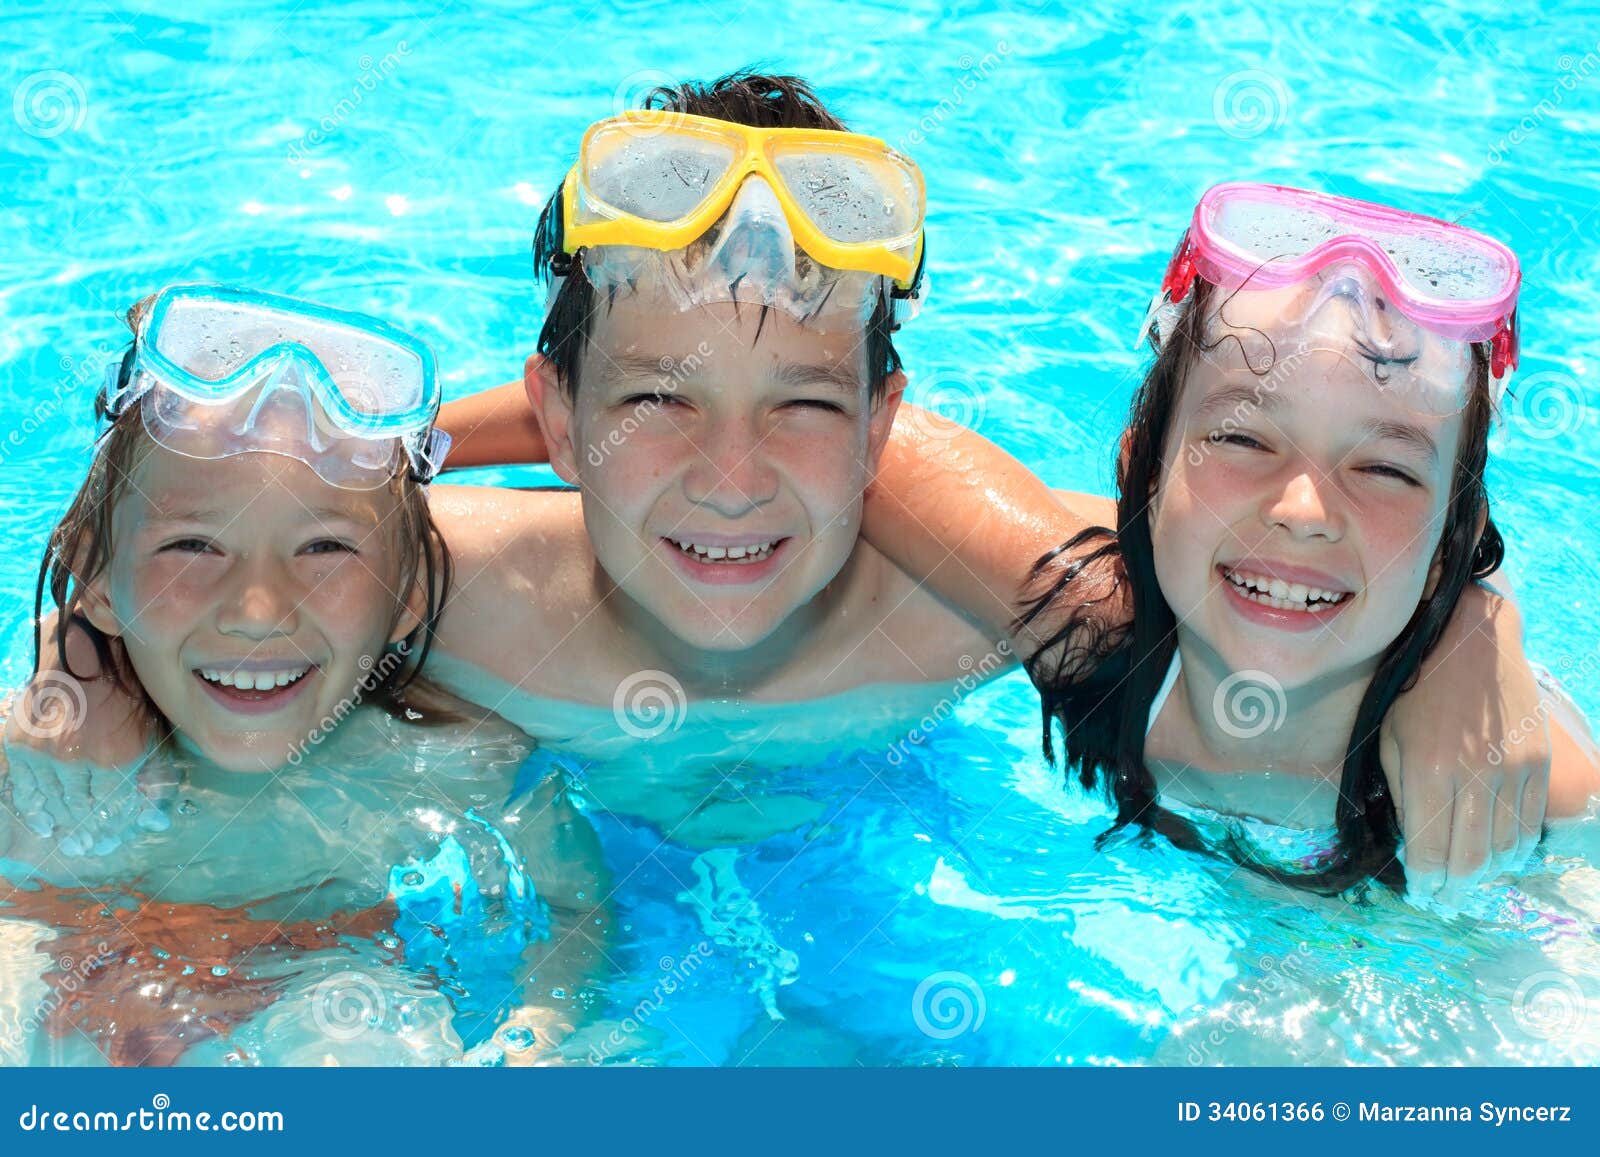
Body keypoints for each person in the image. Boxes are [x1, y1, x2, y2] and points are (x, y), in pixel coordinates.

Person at [0, 286, 606, 1064]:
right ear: (97, 579)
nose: (259, 610)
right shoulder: (46, 772)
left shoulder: (459, 762)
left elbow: (577, 909)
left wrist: (537, 1044)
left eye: (324, 548)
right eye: (193, 545)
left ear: (407, 594)